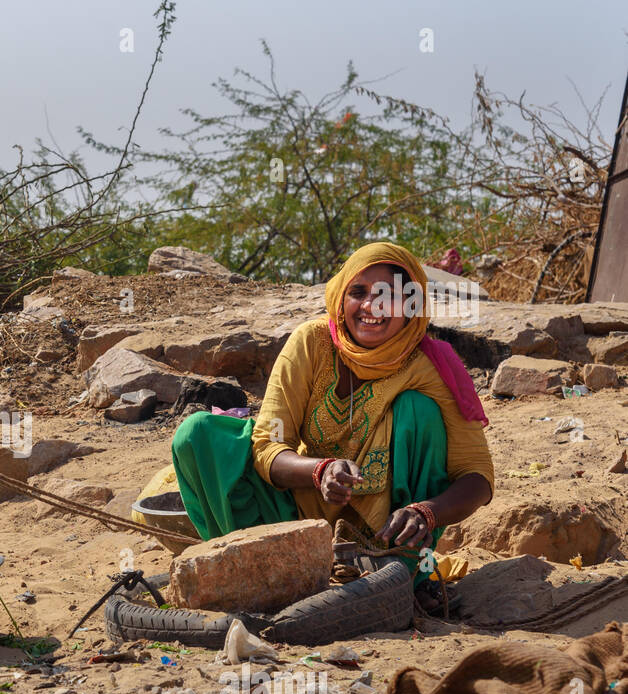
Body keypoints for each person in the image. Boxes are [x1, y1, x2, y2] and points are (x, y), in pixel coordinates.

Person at [169, 241, 493, 603]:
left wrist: (427, 512)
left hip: (386, 538)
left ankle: (405, 575)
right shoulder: (312, 342)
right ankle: (255, 568)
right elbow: (267, 444)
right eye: (358, 293)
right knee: (197, 434)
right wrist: (319, 471)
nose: (371, 306)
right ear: (341, 297)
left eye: (388, 295)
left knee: (419, 410)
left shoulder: (430, 366)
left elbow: (477, 476)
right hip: (295, 519)